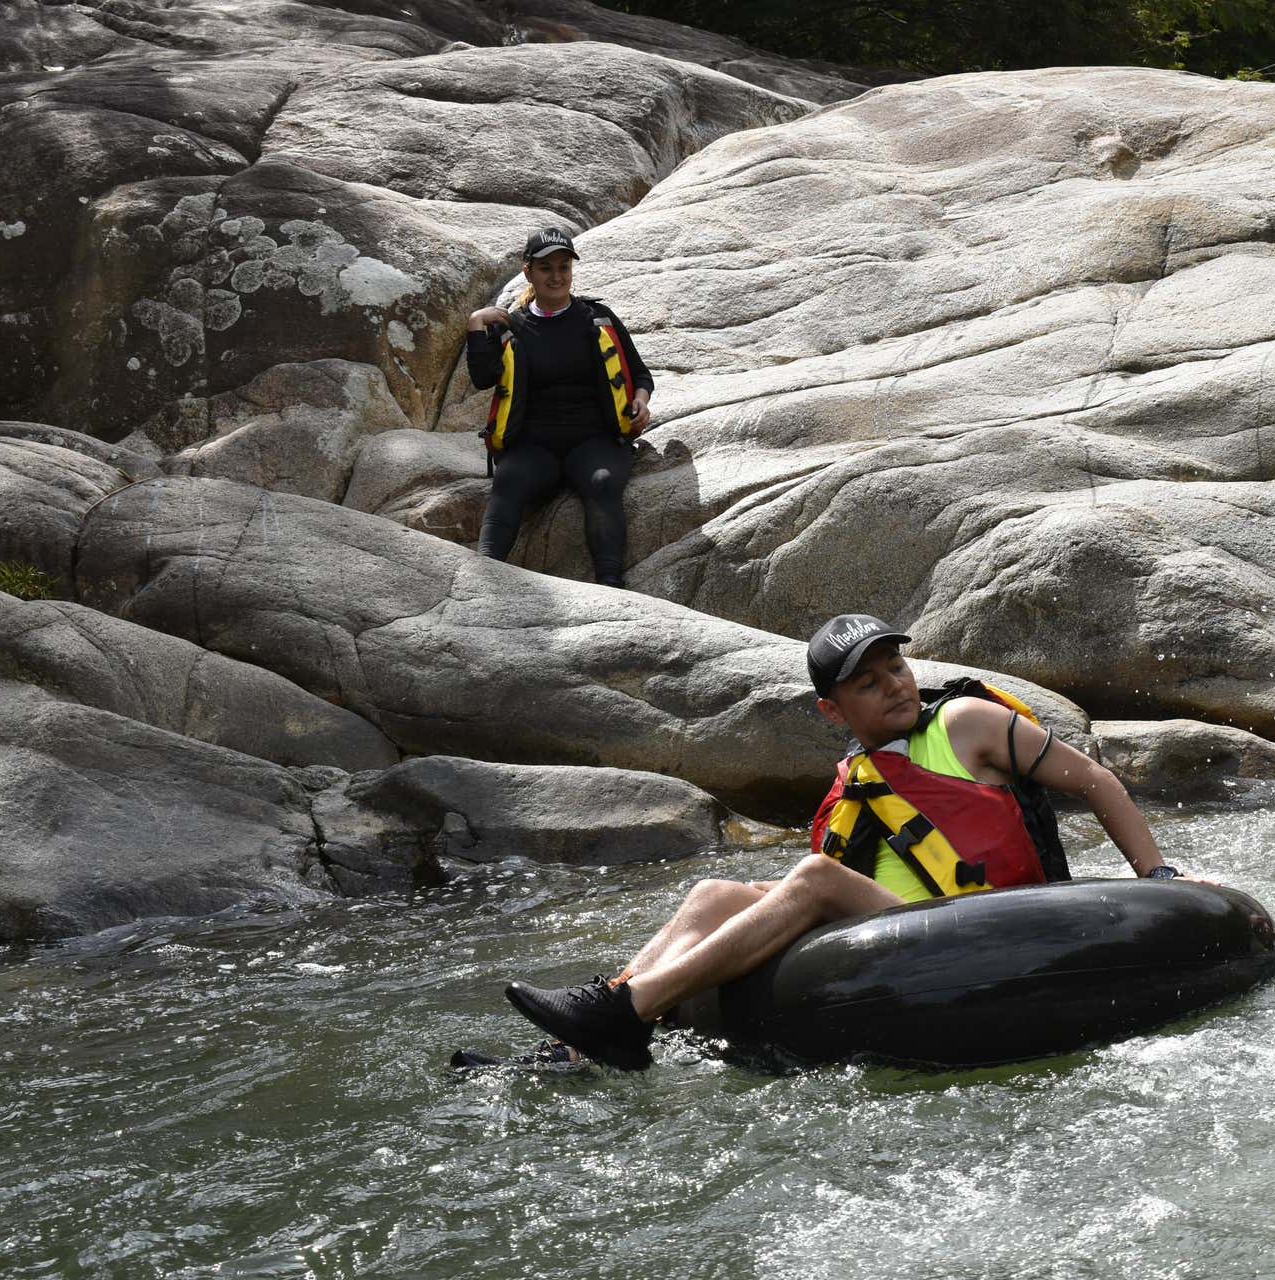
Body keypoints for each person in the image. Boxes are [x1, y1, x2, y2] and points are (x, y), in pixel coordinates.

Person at [497, 614, 1187, 1071]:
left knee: (814, 876)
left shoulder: (968, 723)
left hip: (993, 927)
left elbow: (1095, 780)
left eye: (897, 669)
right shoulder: (853, 781)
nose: (894, 686)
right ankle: (576, 1044)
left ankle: (626, 1011)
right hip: (897, 932)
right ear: (832, 709)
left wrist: (1157, 877)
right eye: (868, 682)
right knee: (713, 894)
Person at [464, 226, 654, 585]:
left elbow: (641, 375)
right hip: (535, 446)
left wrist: (640, 403)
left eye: (563, 267)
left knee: (602, 484)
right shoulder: (512, 325)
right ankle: (482, 576)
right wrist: (476, 324)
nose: (556, 276)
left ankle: (611, 586)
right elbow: (483, 378)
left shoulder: (597, 317)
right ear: (528, 272)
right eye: (546, 268)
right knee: (509, 479)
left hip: (594, 441)